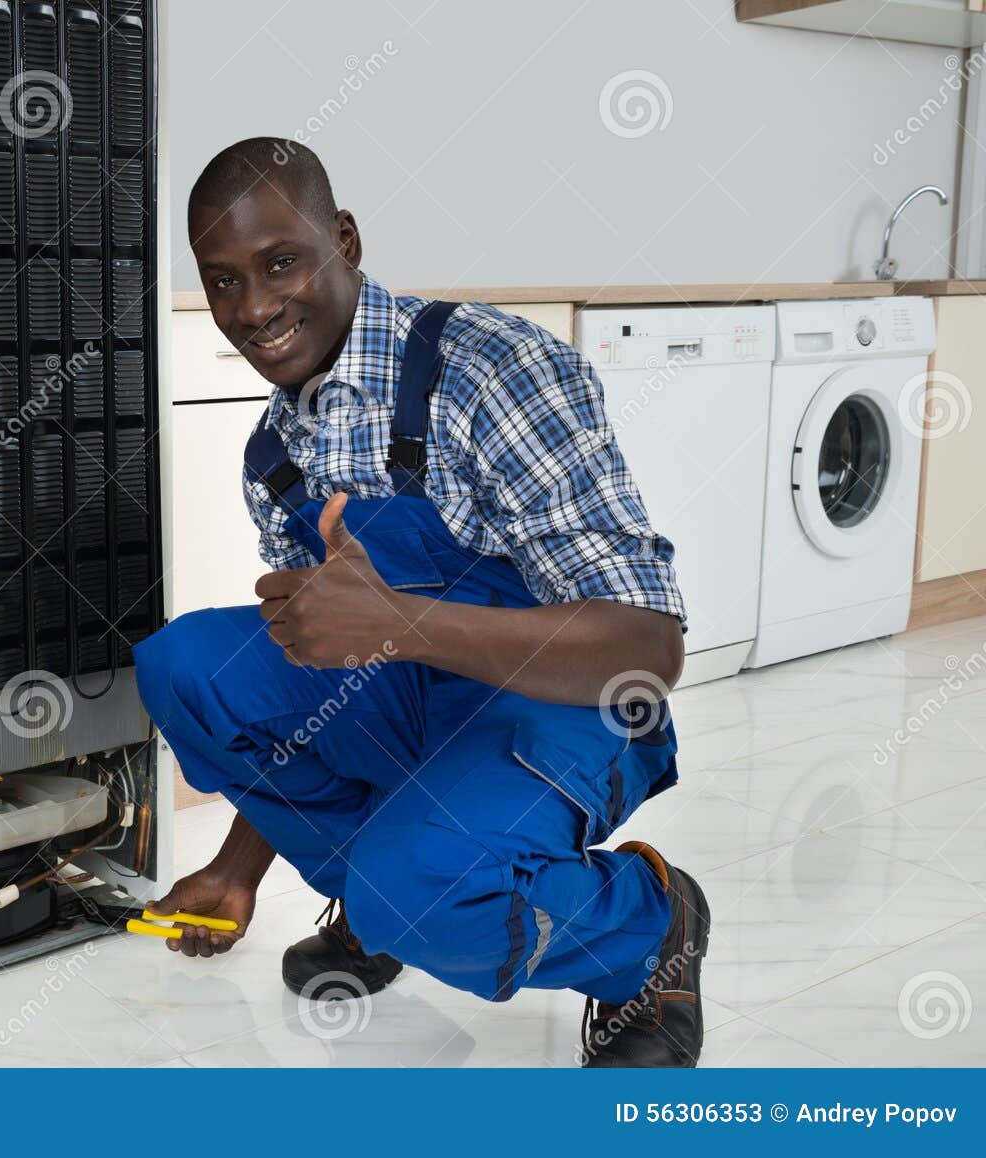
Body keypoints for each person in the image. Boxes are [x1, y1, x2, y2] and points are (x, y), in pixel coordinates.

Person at [133, 138, 710, 1068]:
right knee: (187, 670)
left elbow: (646, 647)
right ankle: (380, 900)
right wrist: (237, 873)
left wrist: (400, 624)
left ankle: (648, 932)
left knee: (422, 884)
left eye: (280, 262)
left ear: (345, 242)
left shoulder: (491, 369)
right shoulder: (274, 454)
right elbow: (310, 683)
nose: (254, 309)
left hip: (566, 707)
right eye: (223, 280)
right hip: (416, 697)